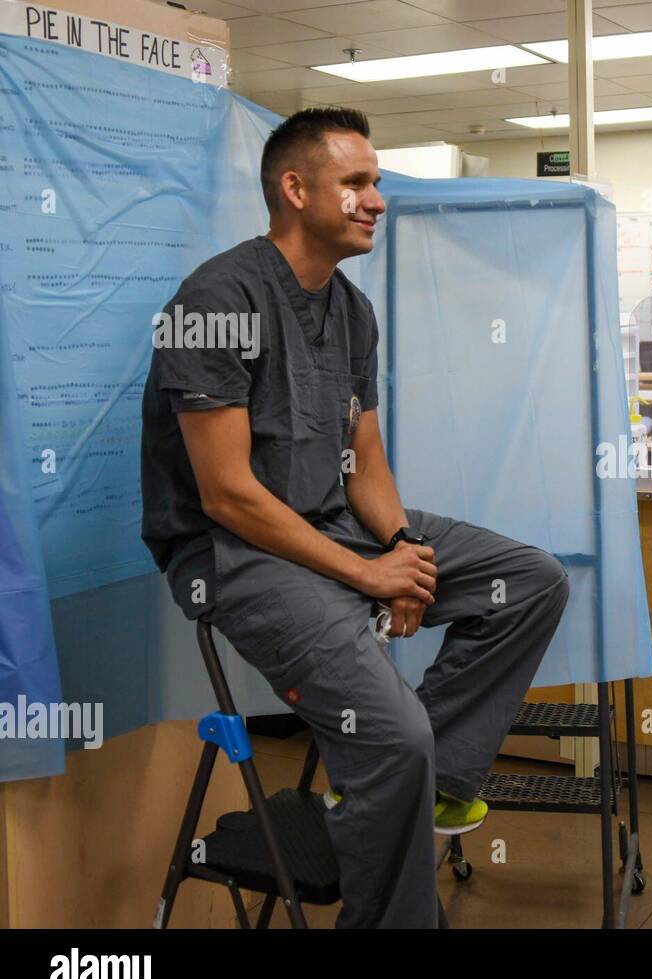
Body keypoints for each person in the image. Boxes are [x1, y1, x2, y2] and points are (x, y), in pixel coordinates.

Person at [139, 107, 570, 927]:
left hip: (331, 524)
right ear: (295, 190)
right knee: (394, 738)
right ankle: (397, 794)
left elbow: (364, 461)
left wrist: (403, 550)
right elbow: (226, 495)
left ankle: (423, 785)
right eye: (358, 183)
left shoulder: (351, 311)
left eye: (376, 182)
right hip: (232, 553)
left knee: (530, 581)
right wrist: (370, 575)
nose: (377, 199)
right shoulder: (214, 301)